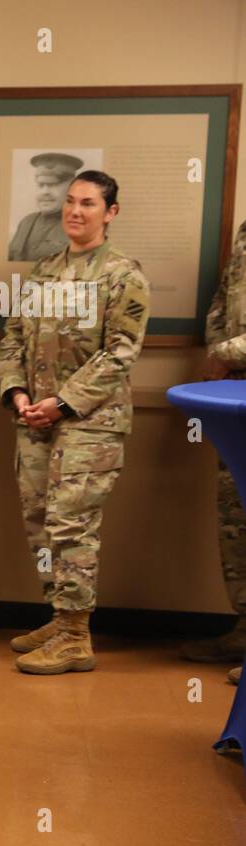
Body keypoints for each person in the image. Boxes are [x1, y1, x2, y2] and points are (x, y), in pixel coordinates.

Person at [0, 170, 150, 675]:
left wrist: (62, 403)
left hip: (91, 424)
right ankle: (59, 615)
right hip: (35, 419)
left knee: (73, 526)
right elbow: (13, 339)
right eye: (69, 202)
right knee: (40, 523)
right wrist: (17, 392)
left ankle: (75, 636)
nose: (74, 211)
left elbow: (119, 354)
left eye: (87, 203)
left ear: (110, 212)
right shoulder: (44, 271)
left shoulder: (123, 274)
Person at [182, 219, 246, 683]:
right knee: (236, 517)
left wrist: (226, 351)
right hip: (236, 399)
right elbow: (225, 299)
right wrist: (218, 353)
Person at [7, 152, 83, 262]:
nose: (45, 192)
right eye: (40, 185)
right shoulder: (26, 222)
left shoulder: (81, 226)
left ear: (72, 187)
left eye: (54, 185)